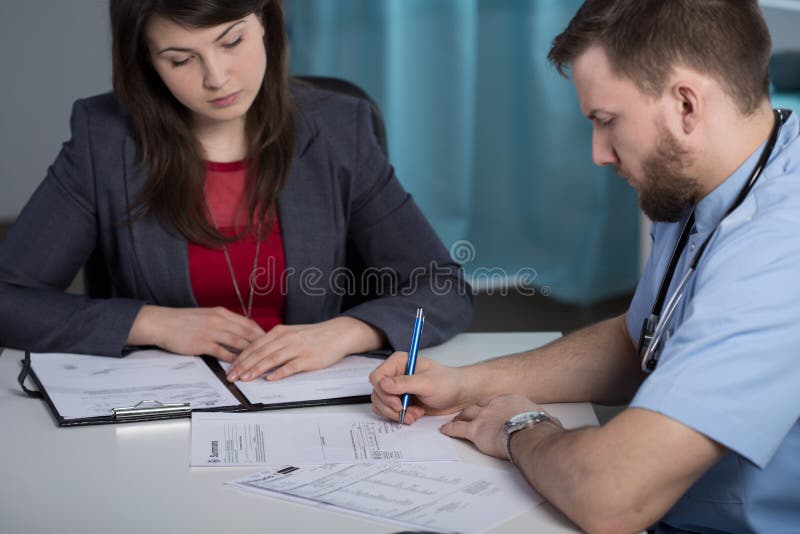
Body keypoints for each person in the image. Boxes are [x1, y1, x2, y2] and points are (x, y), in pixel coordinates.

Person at [370, 1, 800, 532]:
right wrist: (467, 384)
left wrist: (521, 427)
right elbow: (640, 340)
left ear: (686, 104)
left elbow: (610, 495)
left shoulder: (781, 251)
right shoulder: (716, 178)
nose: (598, 153)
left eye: (606, 121)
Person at [0, 0, 472, 383]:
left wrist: (347, 332)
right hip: (164, 409)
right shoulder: (103, 140)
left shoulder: (338, 128)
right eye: (181, 59)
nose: (217, 78)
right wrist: (151, 322)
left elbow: (442, 287)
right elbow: (9, 299)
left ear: (266, 21)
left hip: (308, 400)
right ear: (147, 61)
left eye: (232, 41)